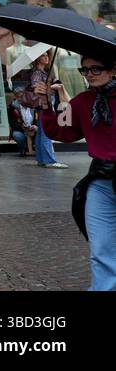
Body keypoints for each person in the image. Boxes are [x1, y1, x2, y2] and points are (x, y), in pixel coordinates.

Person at [36, 51, 116, 290]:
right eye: (85, 70)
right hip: (101, 183)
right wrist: (45, 104)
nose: (89, 74)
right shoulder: (83, 102)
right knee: (101, 248)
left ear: (113, 70)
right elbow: (61, 131)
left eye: (96, 69)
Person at [26, 53, 68, 169]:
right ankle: (49, 160)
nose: (46, 57)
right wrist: (51, 88)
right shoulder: (37, 73)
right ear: (37, 58)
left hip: (45, 104)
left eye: (47, 55)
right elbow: (36, 88)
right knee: (46, 132)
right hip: (43, 104)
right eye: (43, 56)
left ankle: (41, 159)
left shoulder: (44, 72)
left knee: (41, 132)